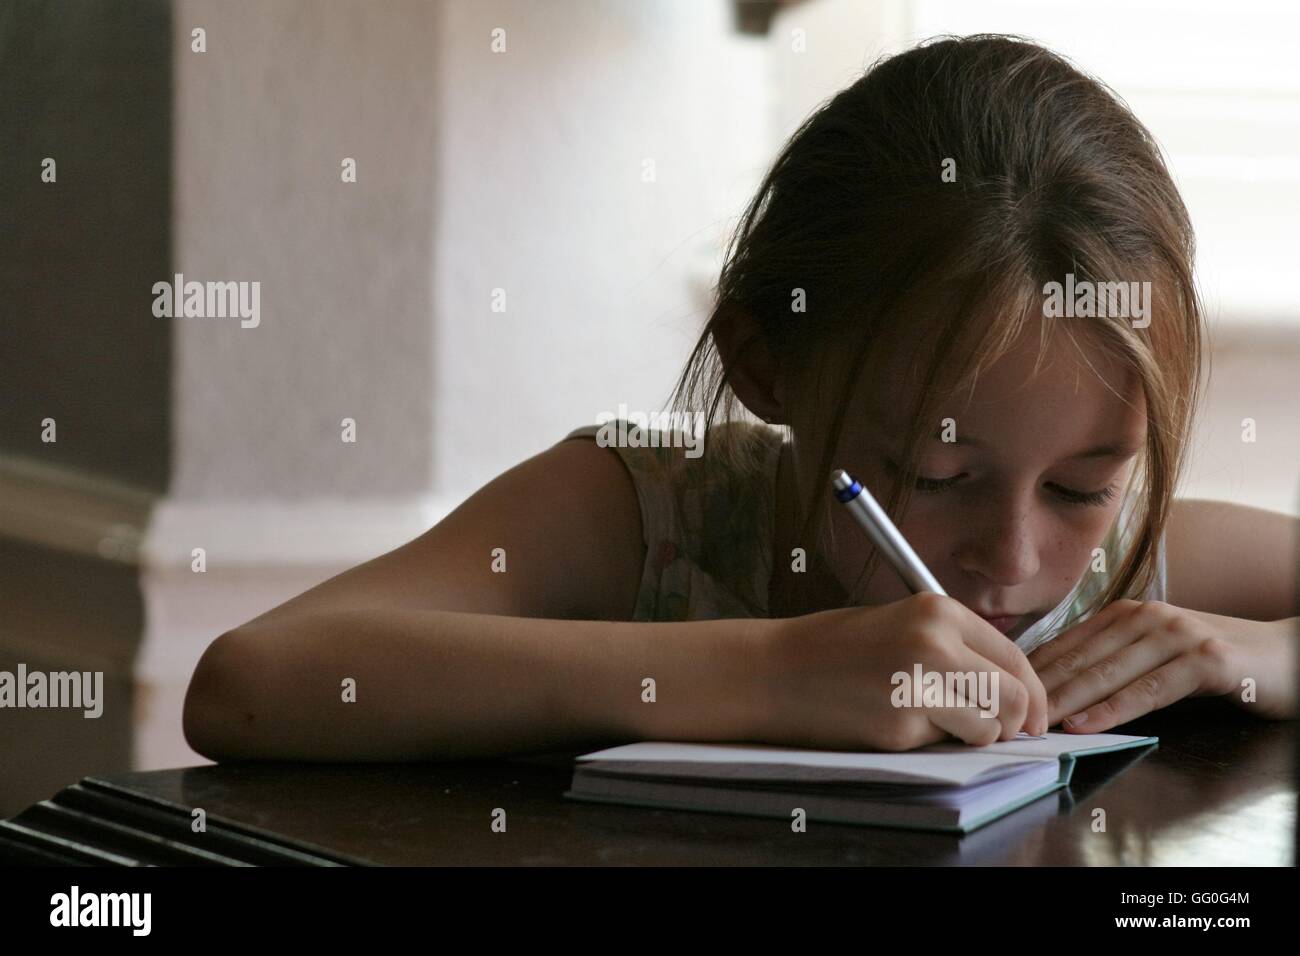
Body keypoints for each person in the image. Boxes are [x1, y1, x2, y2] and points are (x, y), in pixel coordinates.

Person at [183, 34, 1297, 763]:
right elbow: (249, 681)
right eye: (936, 475)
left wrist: (1253, 658)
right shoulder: (642, 513)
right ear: (766, 365)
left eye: (1083, 485)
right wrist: (771, 669)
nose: (1011, 561)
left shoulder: (1109, 585)